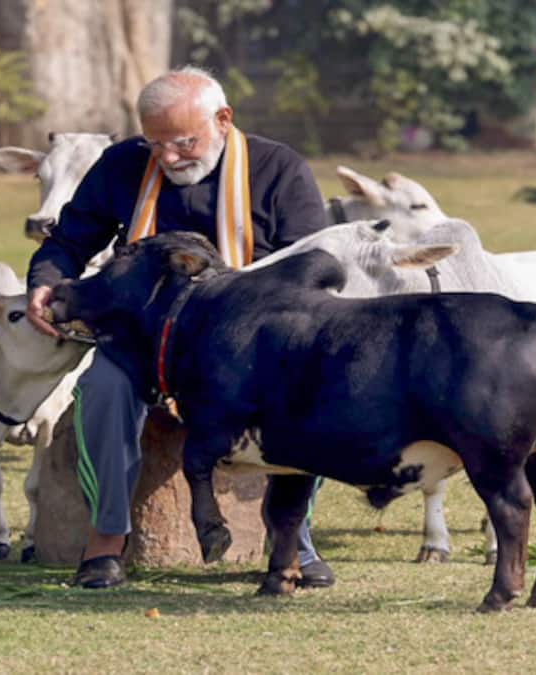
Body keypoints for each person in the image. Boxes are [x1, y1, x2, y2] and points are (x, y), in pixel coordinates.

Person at [26, 66, 334, 589]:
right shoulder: (122, 164)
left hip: (251, 345)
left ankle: (293, 539)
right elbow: (68, 242)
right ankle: (107, 538)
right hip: (143, 340)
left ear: (223, 119)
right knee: (101, 389)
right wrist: (46, 282)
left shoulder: (278, 168)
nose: (167, 158)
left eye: (183, 142)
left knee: (312, 394)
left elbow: (315, 266)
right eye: (155, 144)